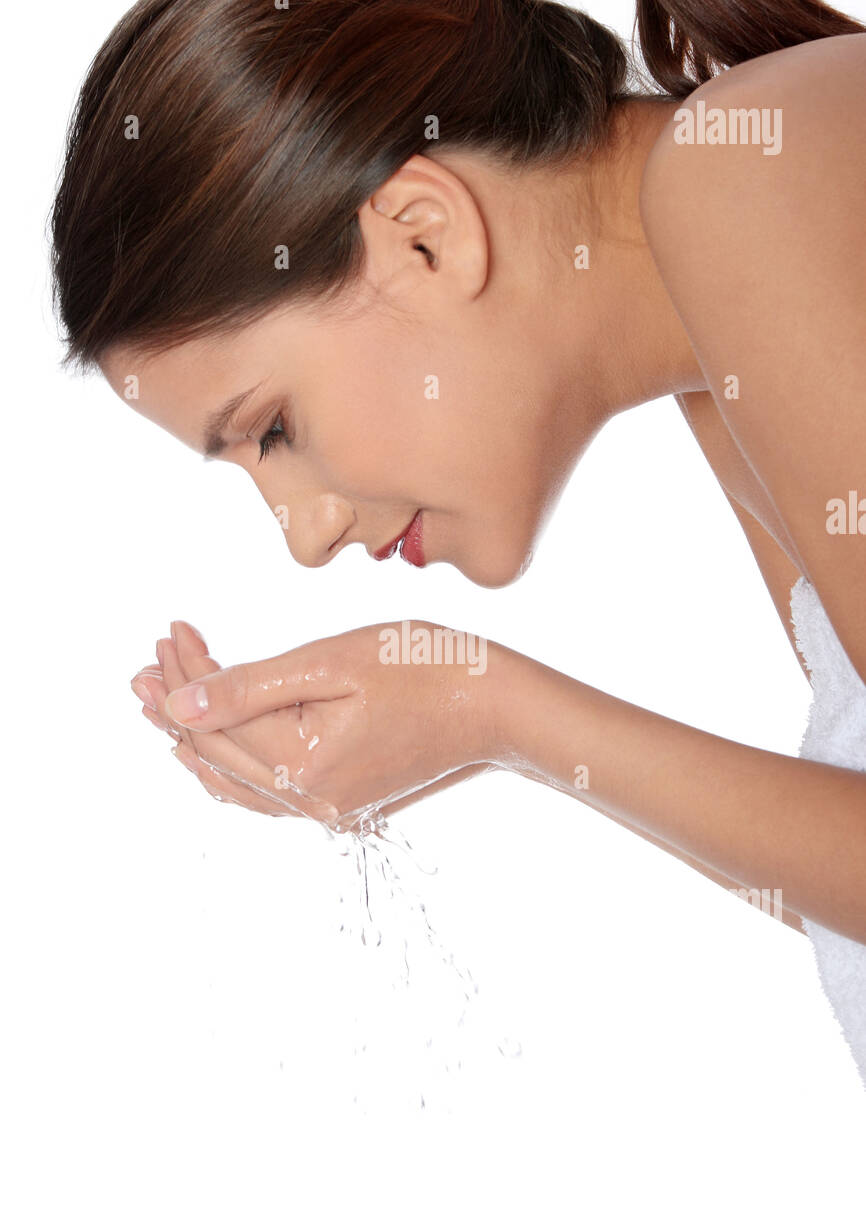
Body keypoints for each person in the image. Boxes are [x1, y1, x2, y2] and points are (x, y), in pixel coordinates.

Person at [51, 0, 866, 1070]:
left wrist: (495, 708)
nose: (303, 534)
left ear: (425, 239)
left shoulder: (739, 181)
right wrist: (480, 733)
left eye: (274, 430)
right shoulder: (716, 340)